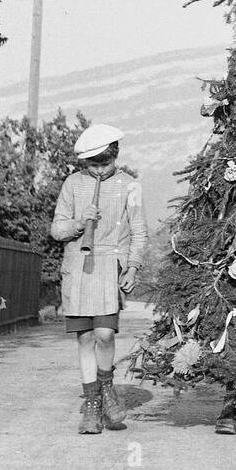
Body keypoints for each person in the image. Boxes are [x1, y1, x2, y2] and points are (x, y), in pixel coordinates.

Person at [50, 123, 147, 435]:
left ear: (115, 155)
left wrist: (132, 267)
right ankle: (92, 402)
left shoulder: (129, 185)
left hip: (109, 266)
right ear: (85, 163)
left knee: (104, 334)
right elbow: (57, 230)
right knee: (85, 337)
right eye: (93, 164)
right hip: (78, 266)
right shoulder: (73, 184)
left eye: (105, 163)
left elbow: (139, 231)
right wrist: (80, 222)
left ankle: (107, 388)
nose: (99, 170)